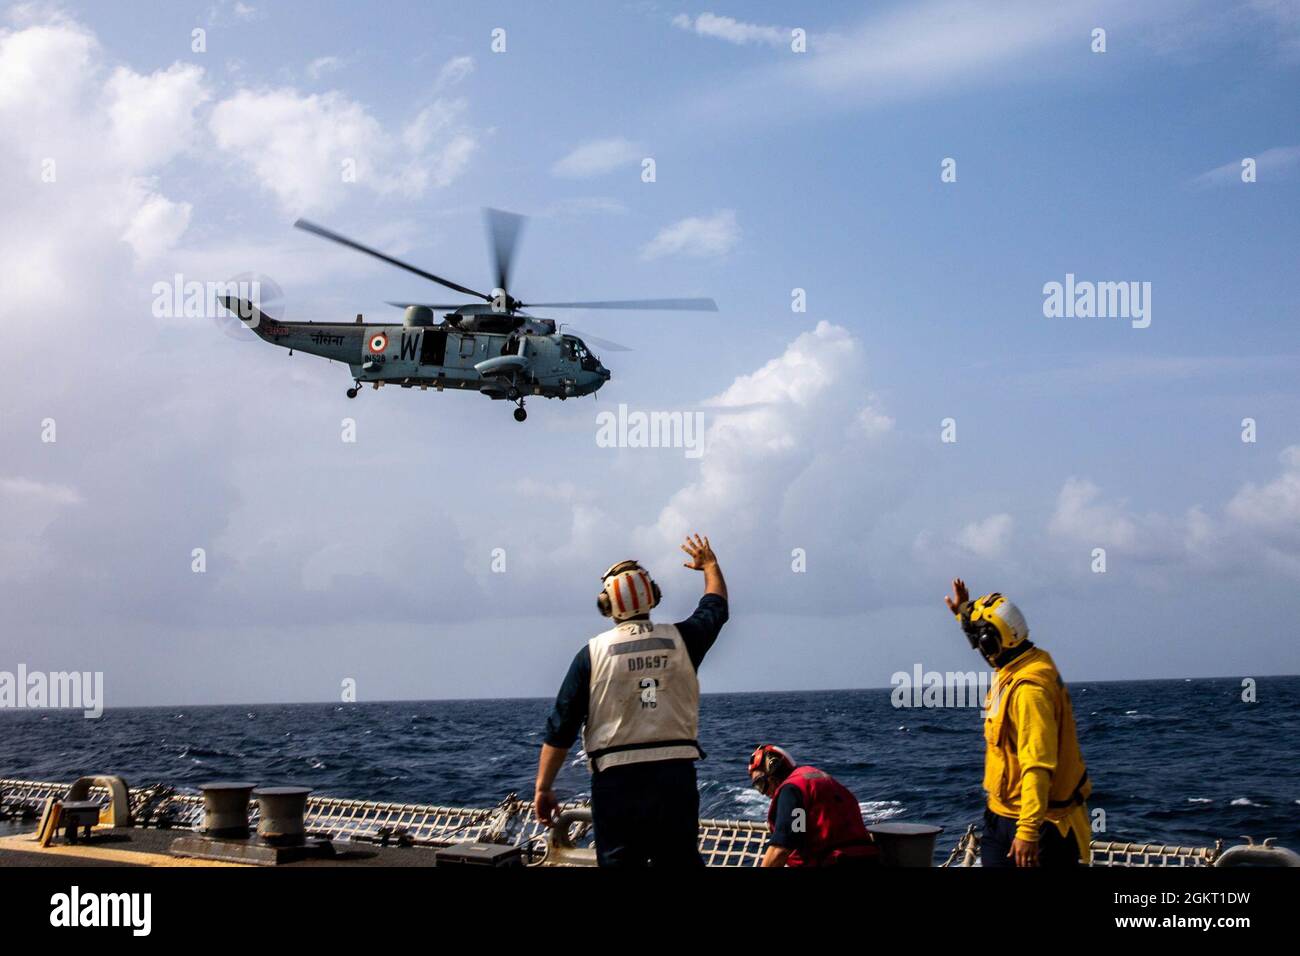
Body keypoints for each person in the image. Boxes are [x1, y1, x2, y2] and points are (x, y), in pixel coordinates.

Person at [534, 534, 728, 867]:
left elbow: (561, 727)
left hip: (616, 783)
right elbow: (715, 607)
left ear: (606, 606)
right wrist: (710, 565)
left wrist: (543, 788)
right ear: (652, 596)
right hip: (675, 776)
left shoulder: (591, 656)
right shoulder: (682, 641)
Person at [945, 578, 1092, 867]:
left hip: (1040, 827)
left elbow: (1037, 765)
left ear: (993, 643)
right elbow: (987, 640)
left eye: (981, 640)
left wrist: (1028, 832)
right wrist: (964, 611)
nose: (979, 647)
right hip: (1001, 815)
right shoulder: (1017, 662)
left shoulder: (1028, 691)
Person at [749, 744, 879, 867]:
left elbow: (781, 850)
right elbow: (799, 830)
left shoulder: (791, 791)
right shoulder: (823, 782)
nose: (763, 793)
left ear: (773, 771)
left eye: (760, 784)